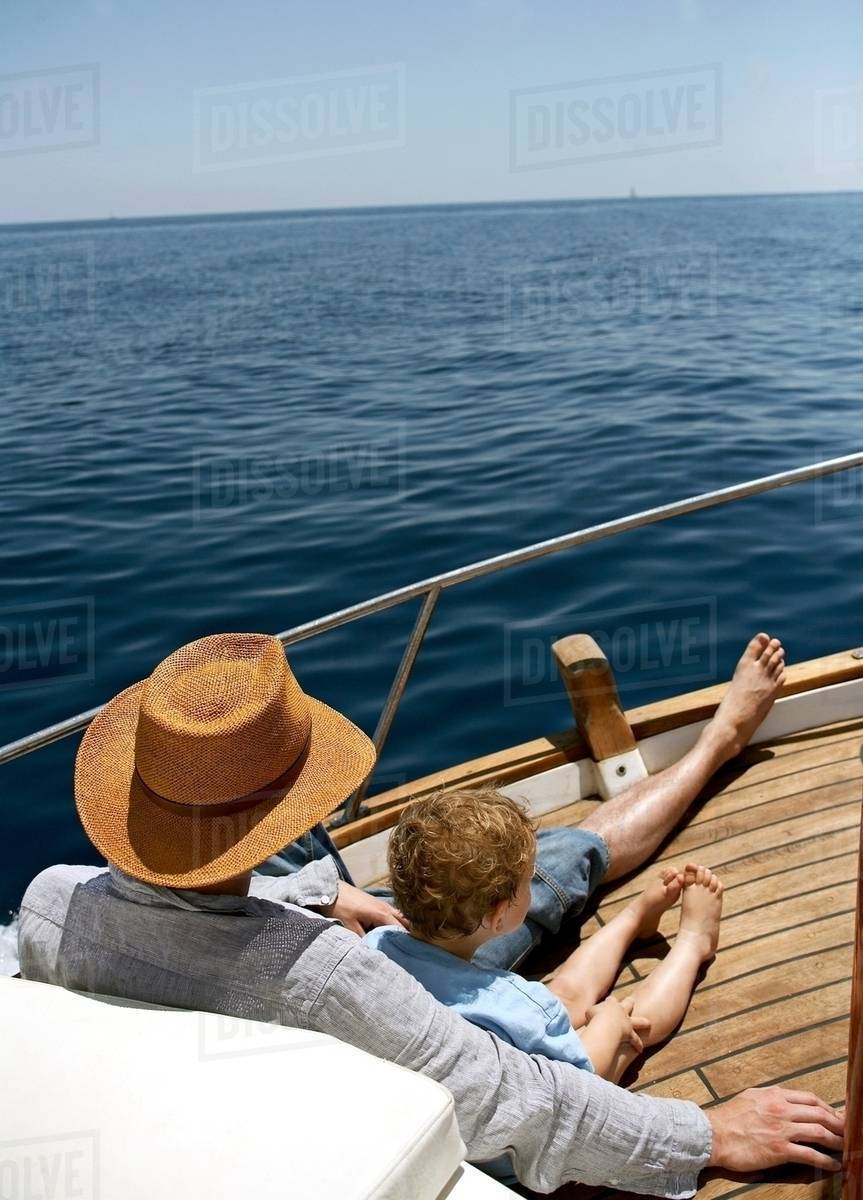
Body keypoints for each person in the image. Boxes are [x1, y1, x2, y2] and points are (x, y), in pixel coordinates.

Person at [17, 630, 843, 1196]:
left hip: (336, 949)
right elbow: (513, 1096)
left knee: (468, 893)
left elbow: (179, 929)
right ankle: (716, 744)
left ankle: (638, 820)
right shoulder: (327, 979)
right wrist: (705, 1136)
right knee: (554, 863)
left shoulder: (51, 905)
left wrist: (315, 893)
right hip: (369, 988)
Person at [367, 788, 723, 1087]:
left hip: (451, 1067)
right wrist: (610, 1025)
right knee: (629, 1026)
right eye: (529, 880)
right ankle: (694, 942)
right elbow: (577, 1083)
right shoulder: (519, 1006)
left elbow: (530, 1014)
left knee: (561, 1001)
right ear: (499, 915)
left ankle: (633, 920)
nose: (533, 885)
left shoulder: (377, 944)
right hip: (532, 1103)